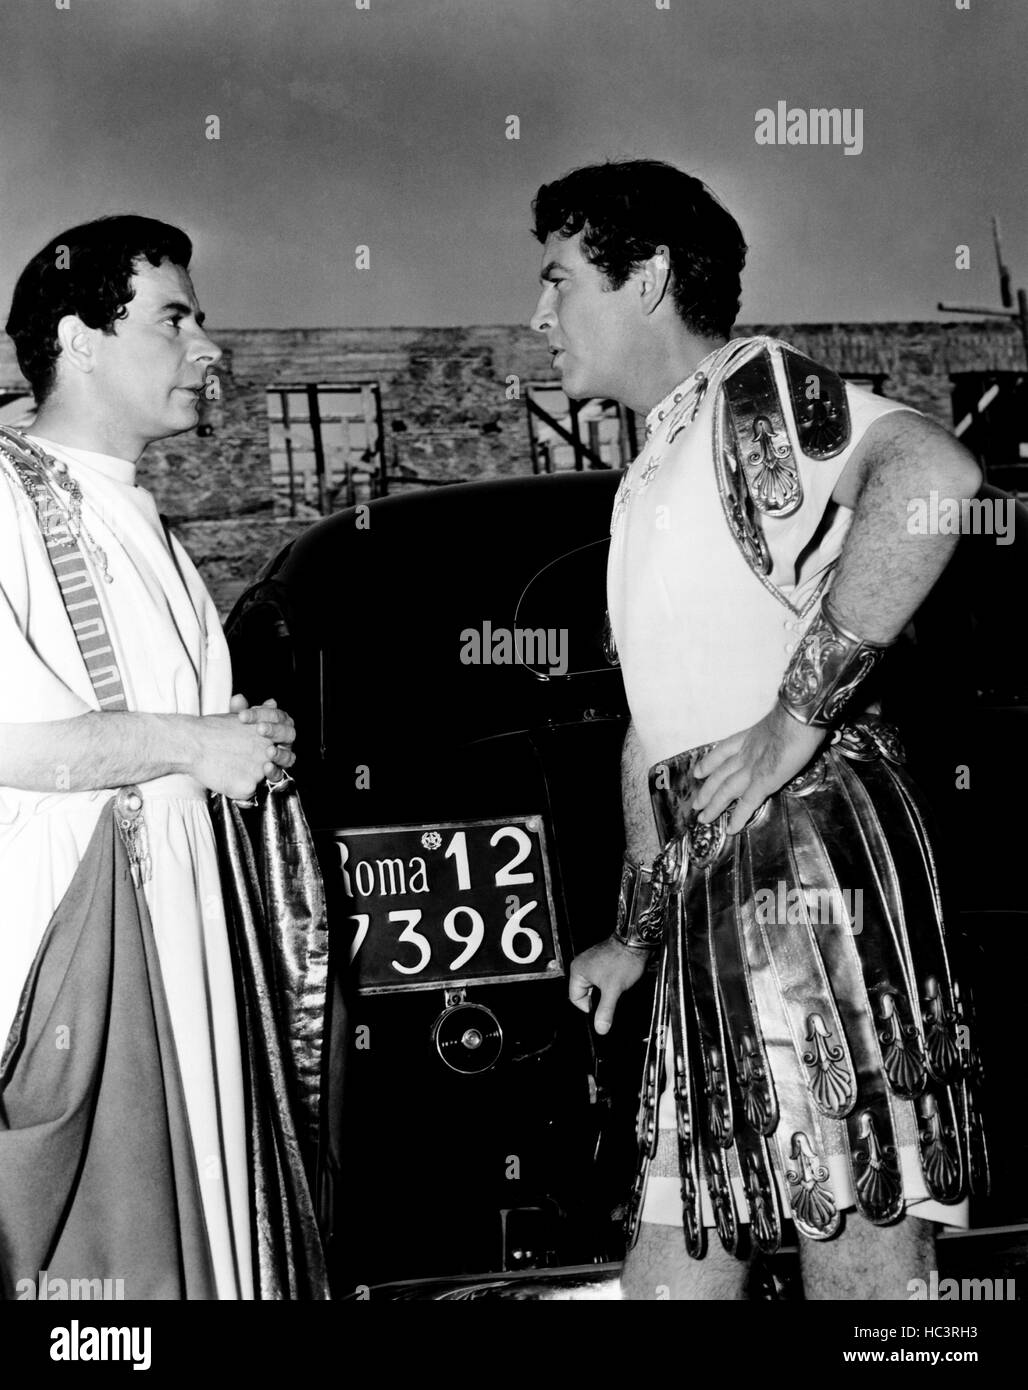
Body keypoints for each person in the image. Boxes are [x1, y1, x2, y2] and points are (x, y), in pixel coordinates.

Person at [529, 160, 989, 1300]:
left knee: (860, 1253)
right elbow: (655, 737)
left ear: (644, 280)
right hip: (702, 904)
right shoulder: (647, 468)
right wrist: (633, 935)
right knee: (670, 1271)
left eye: (559, 282)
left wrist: (794, 719)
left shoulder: (754, 389)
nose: (538, 317)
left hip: (809, 883)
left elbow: (931, 474)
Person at [0, 216, 307, 1300]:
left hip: (185, 947)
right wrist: (194, 744)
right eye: (173, 318)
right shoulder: (5, 496)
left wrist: (237, 738)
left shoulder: (139, 516)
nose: (208, 347)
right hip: (86, 955)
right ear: (79, 339)